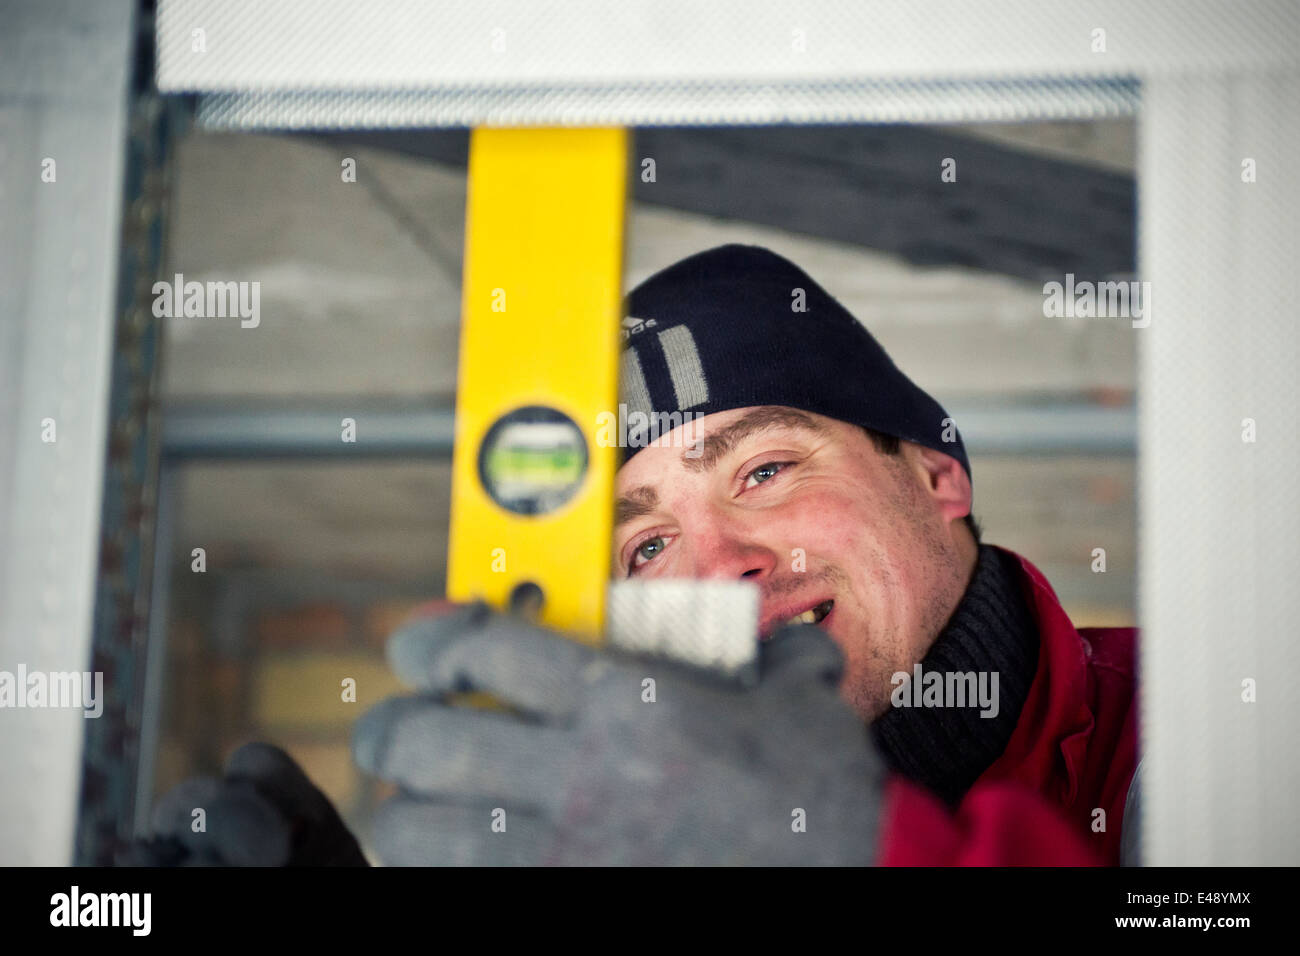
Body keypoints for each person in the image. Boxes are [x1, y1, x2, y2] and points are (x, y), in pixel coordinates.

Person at [132, 245, 1138, 867]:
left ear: (933, 474)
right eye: (648, 540)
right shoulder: (629, 839)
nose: (719, 570)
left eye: (764, 469)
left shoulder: (1190, 747)